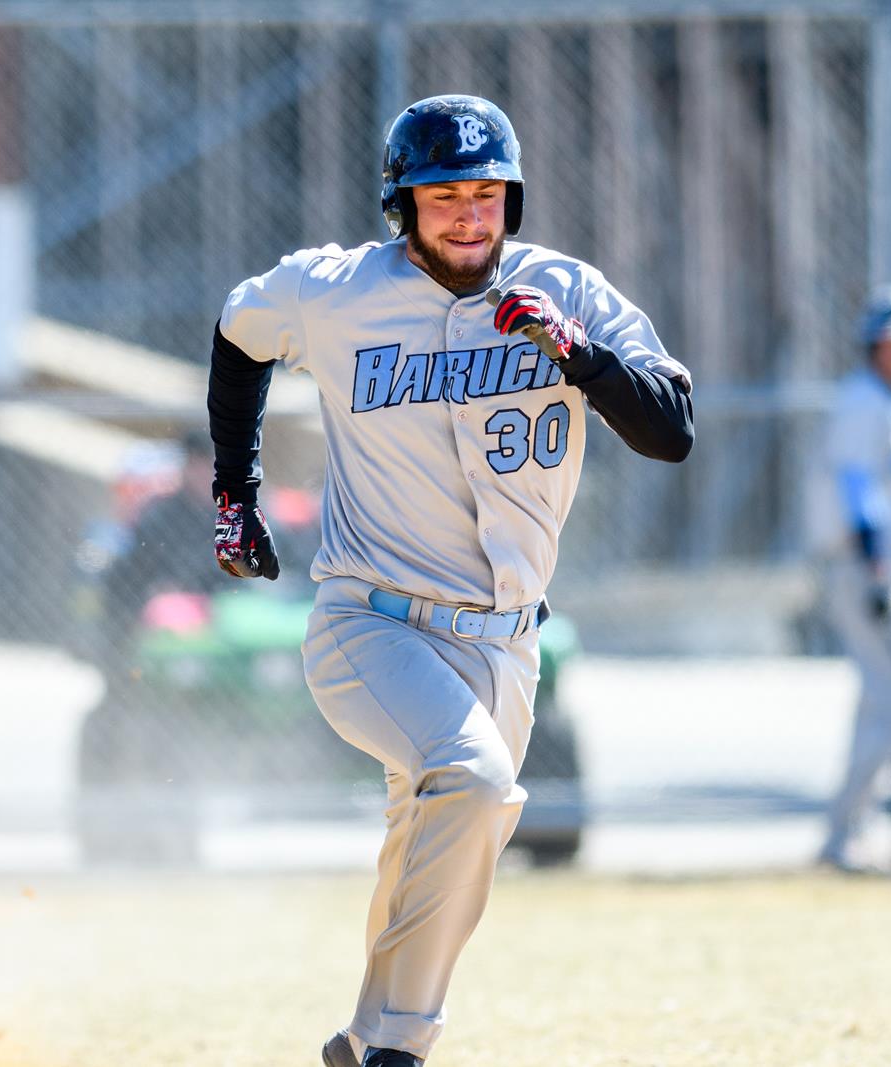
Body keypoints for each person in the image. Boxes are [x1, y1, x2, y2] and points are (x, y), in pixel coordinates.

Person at [205, 94, 693, 1067]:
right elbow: (237, 329)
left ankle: (359, 1038)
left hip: (507, 639)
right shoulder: (335, 290)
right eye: (444, 196)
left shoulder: (566, 290)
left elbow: (670, 430)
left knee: (431, 835)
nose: (469, 214)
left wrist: (576, 354)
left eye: (487, 193)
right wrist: (236, 488)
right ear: (401, 204)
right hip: (368, 621)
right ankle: (401, 1047)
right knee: (471, 782)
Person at [806, 283, 891, 876]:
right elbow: (857, 486)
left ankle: (854, 831)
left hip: (881, 564)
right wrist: (878, 566)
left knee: (890, 699)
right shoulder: (866, 400)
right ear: (874, 346)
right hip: (868, 567)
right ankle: (848, 834)